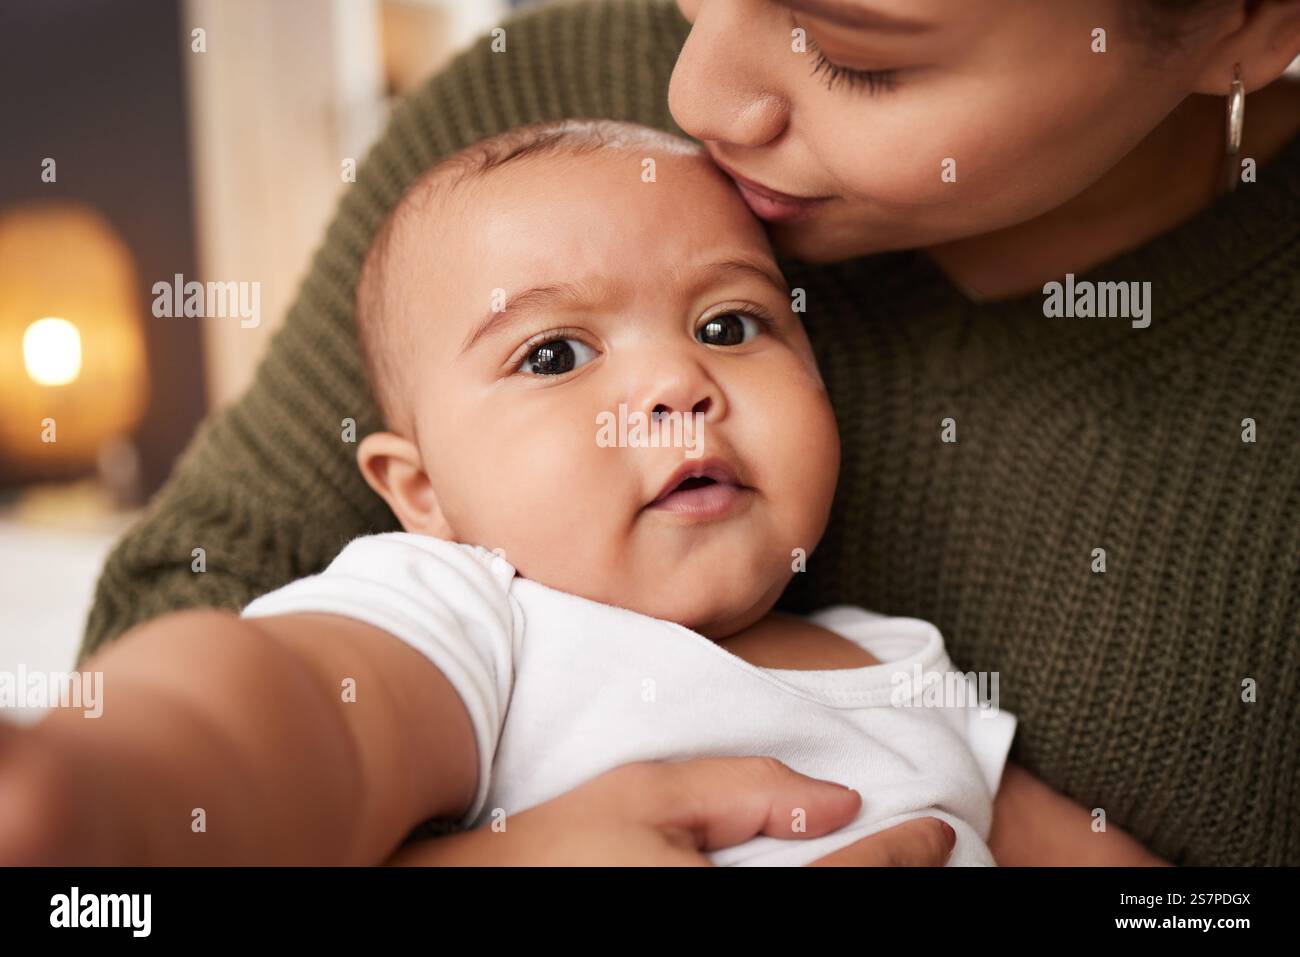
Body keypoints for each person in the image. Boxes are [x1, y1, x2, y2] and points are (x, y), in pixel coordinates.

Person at [82, 0, 1300, 866]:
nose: (693, 94)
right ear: (422, 492)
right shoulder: (478, 624)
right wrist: (106, 789)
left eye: (729, 325)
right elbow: (285, 711)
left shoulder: (898, 669)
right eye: (553, 356)